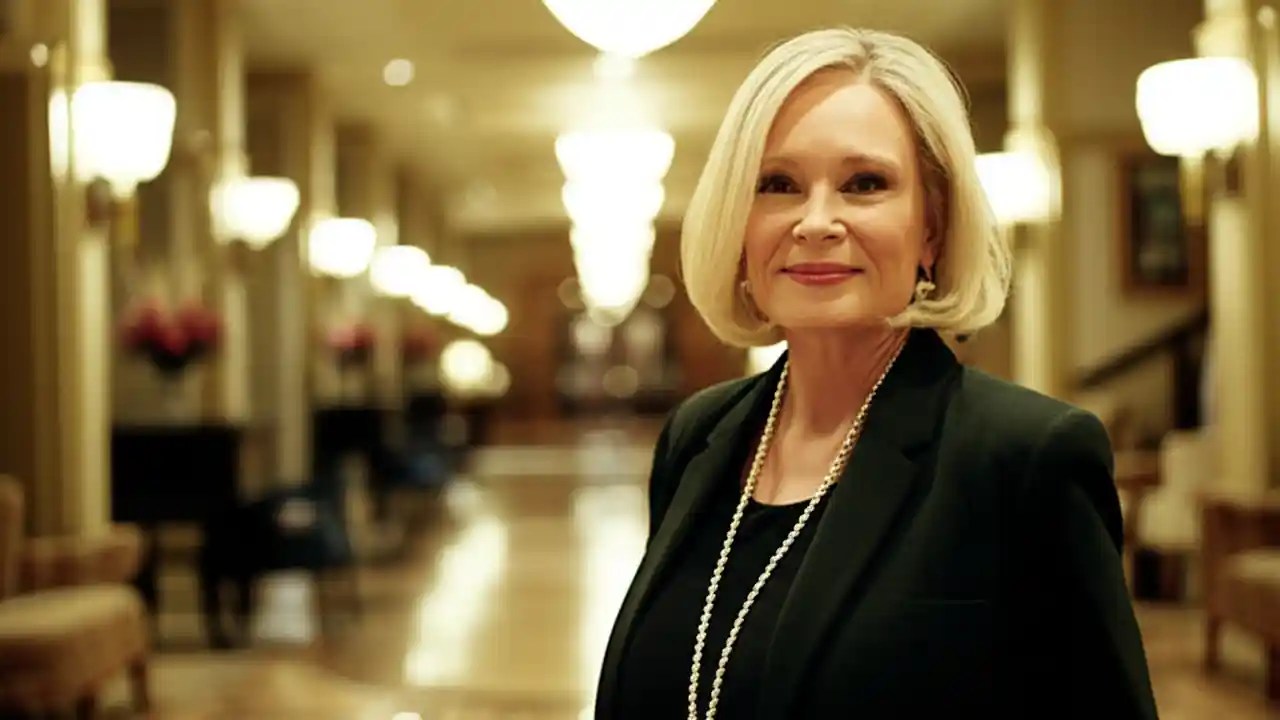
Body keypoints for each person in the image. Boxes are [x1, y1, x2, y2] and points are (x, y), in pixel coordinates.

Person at [594, 27, 1158, 719]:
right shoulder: (699, 436)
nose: (816, 220)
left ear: (932, 227)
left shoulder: (1025, 456)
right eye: (778, 184)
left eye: (865, 184)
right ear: (740, 225)